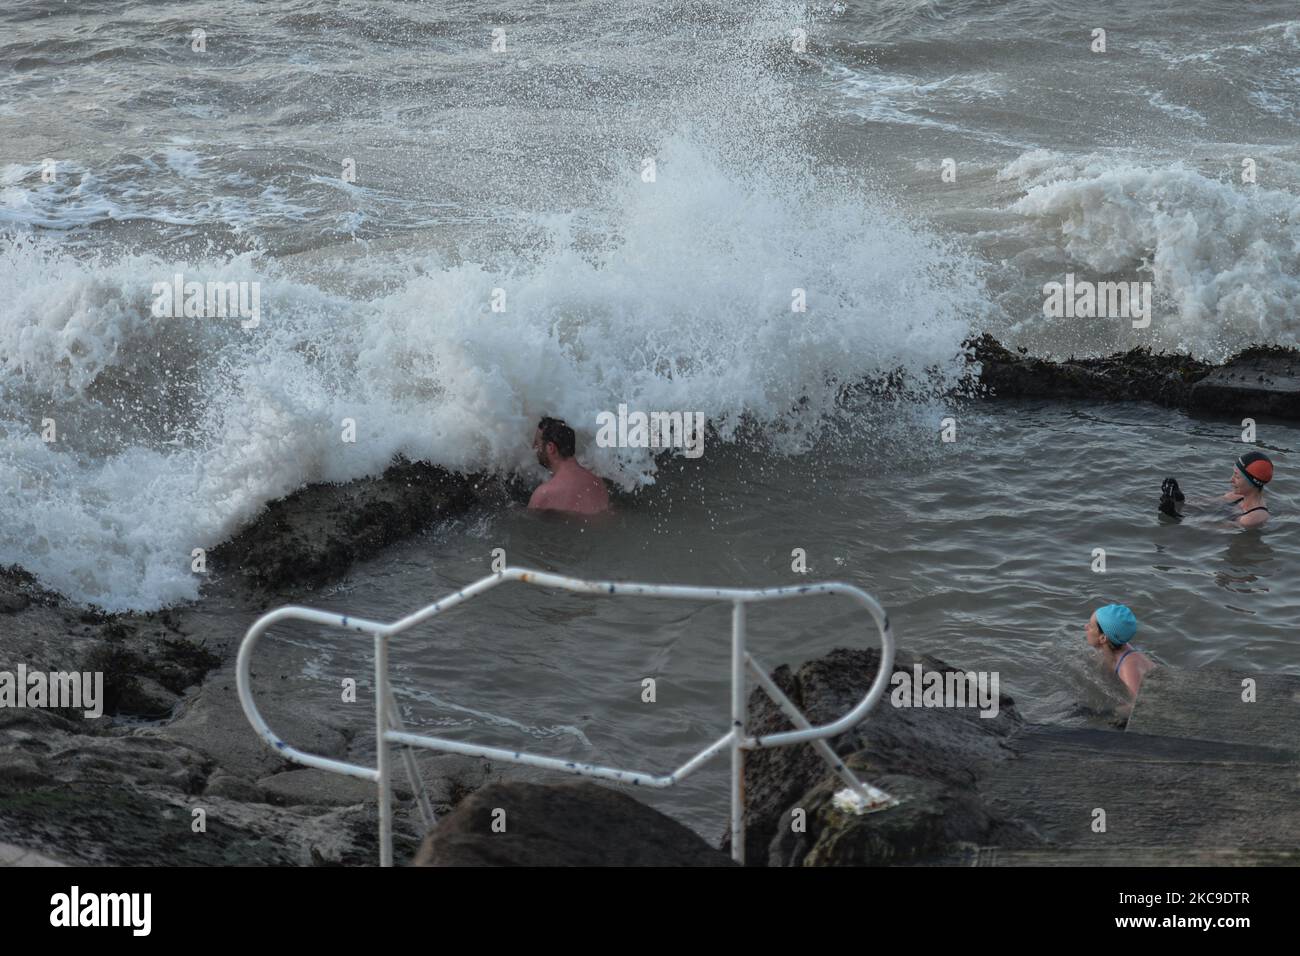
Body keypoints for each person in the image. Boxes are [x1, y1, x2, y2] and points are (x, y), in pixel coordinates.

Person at [1159, 451, 1274, 528]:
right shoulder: (1236, 497)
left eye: (1237, 476)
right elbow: (1205, 504)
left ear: (1253, 482)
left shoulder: (1253, 517)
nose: (1231, 480)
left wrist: (1175, 517)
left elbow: (1213, 531)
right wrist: (1179, 499)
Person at [528, 416, 610, 515]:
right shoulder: (598, 483)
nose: (534, 447)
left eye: (537, 443)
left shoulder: (544, 493)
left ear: (550, 448)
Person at [1084, 603, 1155, 699]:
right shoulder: (1116, 643)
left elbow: (1139, 705)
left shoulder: (1128, 667)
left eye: (1091, 626)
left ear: (1103, 638)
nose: (1085, 626)